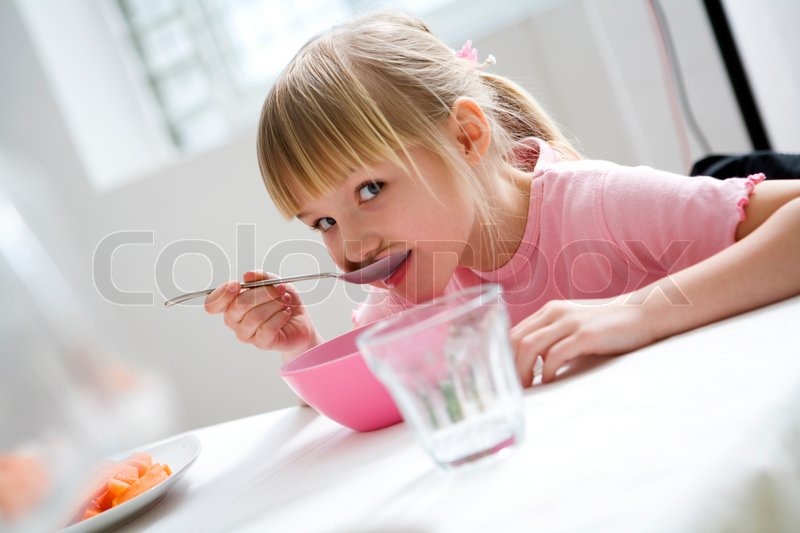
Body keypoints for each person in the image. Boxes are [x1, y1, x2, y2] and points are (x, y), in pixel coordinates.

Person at [204, 10, 800, 387]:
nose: (352, 246)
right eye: (324, 222)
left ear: (466, 136)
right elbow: (385, 396)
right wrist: (303, 349)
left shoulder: (595, 205)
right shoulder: (415, 289)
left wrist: (638, 312)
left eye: (370, 189)